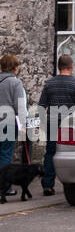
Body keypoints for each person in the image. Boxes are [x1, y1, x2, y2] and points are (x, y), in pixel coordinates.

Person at [37, 56, 75, 196]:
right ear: (71, 66)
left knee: (51, 153)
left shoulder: (49, 84)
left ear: (58, 67)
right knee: (71, 152)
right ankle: (72, 182)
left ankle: (47, 185)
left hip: (52, 123)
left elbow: (41, 106)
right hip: (69, 124)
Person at [0, 54, 29, 199]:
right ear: (15, 68)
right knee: (6, 154)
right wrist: (23, 124)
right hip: (8, 123)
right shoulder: (15, 83)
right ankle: (4, 188)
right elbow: (21, 106)